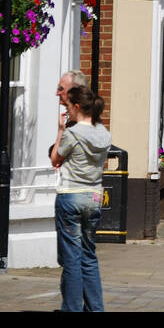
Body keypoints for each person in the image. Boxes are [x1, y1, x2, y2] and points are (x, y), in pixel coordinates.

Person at [50, 84, 111, 313]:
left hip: (71, 196)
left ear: (76, 107)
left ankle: (72, 309)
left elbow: (55, 159)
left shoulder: (72, 133)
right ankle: (95, 309)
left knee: (72, 258)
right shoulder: (104, 134)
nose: (67, 110)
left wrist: (60, 130)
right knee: (88, 255)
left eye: (68, 106)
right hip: (94, 196)